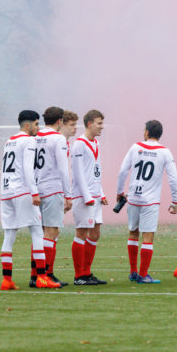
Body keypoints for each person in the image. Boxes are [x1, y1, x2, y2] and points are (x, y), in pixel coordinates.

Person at [0, 110, 60, 290]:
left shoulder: (9, 141)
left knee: (9, 235)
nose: (37, 127)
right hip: (22, 192)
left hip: (6, 192)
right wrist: (34, 192)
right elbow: (27, 167)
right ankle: (41, 277)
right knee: (37, 232)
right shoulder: (29, 141)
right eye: (35, 124)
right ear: (27, 125)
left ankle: (6, 280)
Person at [116, 120, 177, 283]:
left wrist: (119, 192)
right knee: (148, 236)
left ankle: (133, 272)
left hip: (134, 198)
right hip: (150, 201)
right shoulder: (165, 152)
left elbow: (123, 170)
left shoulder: (135, 147)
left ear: (147, 132)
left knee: (133, 233)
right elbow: (172, 177)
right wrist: (175, 200)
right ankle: (143, 275)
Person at [33, 107, 76, 287]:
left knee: (39, 234)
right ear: (60, 121)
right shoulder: (58, 139)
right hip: (52, 188)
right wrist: (68, 194)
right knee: (52, 232)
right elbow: (62, 169)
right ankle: (46, 274)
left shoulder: (35, 136)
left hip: (36, 189)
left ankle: (35, 275)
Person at [70, 109, 108, 285]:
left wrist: (101, 193)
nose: (102, 127)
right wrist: (87, 197)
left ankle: (87, 272)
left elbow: (95, 172)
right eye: (99, 123)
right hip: (83, 196)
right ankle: (79, 276)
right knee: (82, 232)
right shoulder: (79, 144)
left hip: (95, 196)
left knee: (95, 233)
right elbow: (77, 173)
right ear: (89, 124)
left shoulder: (96, 144)